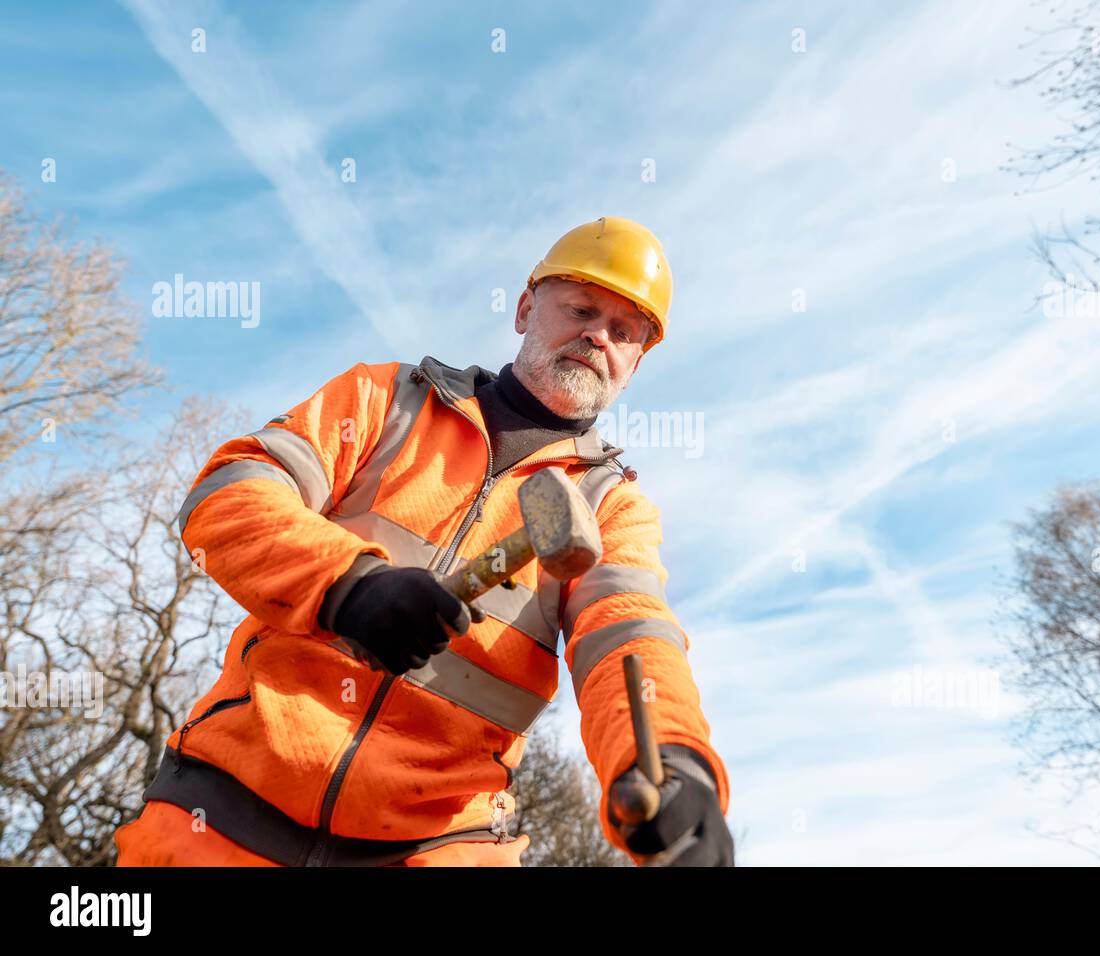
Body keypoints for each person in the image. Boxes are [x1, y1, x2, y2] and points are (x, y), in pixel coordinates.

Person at [113, 216, 734, 867]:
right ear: (525, 309)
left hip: (437, 846)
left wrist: (673, 761)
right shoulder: (386, 400)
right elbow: (229, 495)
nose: (596, 336)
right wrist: (346, 585)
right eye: (581, 308)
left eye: (624, 331)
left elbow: (629, 635)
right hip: (222, 814)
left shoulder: (612, 508)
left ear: (635, 363)